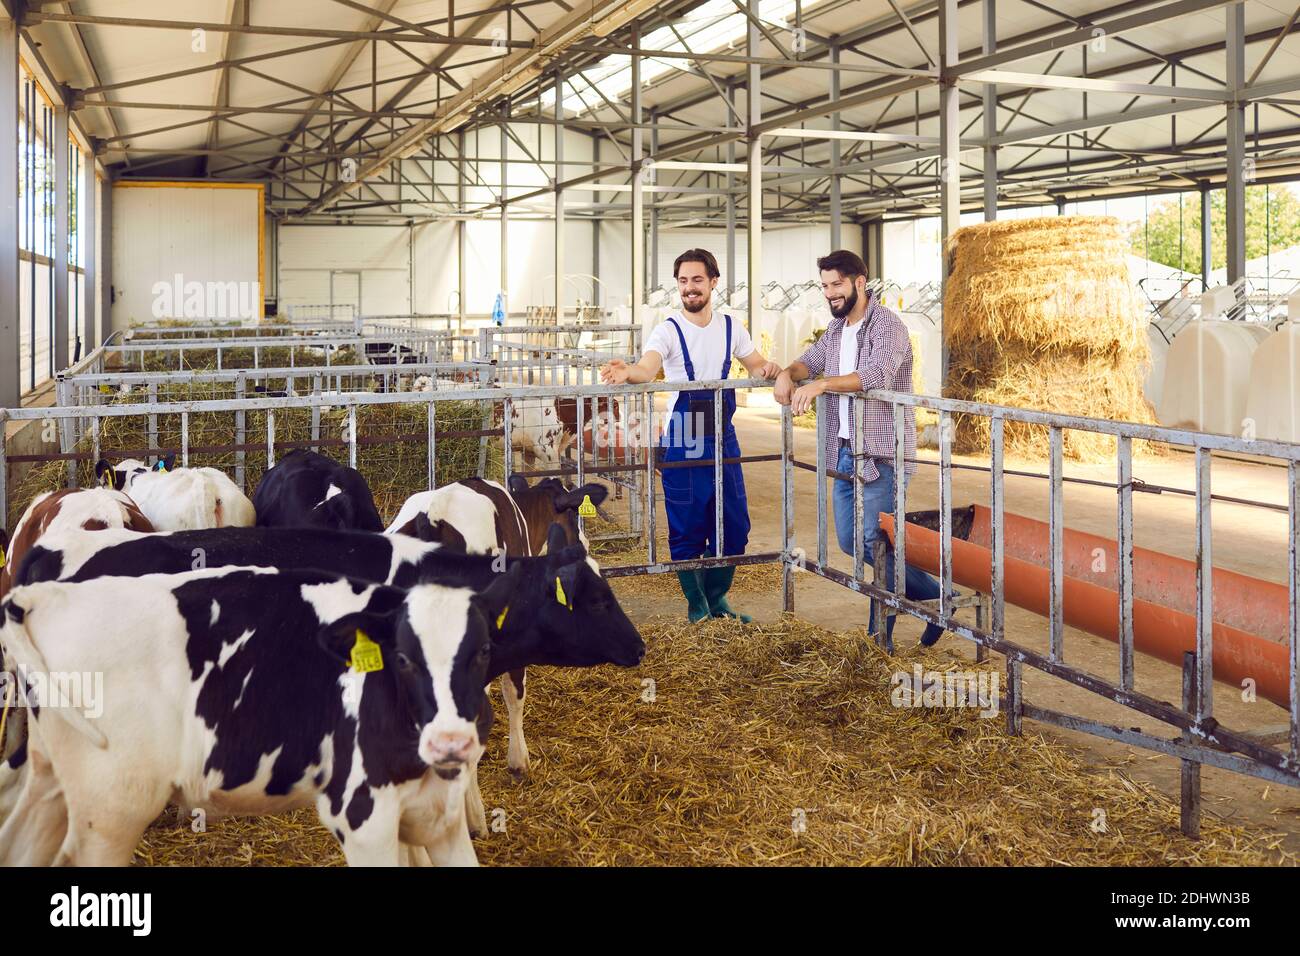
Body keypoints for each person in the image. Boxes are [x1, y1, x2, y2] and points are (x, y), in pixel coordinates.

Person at [773, 250, 946, 650]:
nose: (830, 293)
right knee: (852, 543)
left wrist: (819, 385)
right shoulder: (836, 331)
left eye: (836, 285)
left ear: (859, 282)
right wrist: (788, 373)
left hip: (882, 452)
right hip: (845, 450)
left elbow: (874, 375)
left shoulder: (888, 326)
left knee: (876, 541)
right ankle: (938, 600)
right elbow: (806, 363)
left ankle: (877, 636)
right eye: (825, 286)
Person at [601, 248, 781, 623]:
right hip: (686, 432)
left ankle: (718, 600)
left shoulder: (732, 327)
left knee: (735, 524)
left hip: (722, 431)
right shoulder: (668, 329)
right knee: (688, 521)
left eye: (697, 280)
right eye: (683, 281)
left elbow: (756, 364)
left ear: (713, 282)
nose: (689, 288)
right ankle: (697, 604)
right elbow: (648, 369)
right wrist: (627, 371)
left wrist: (773, 370)